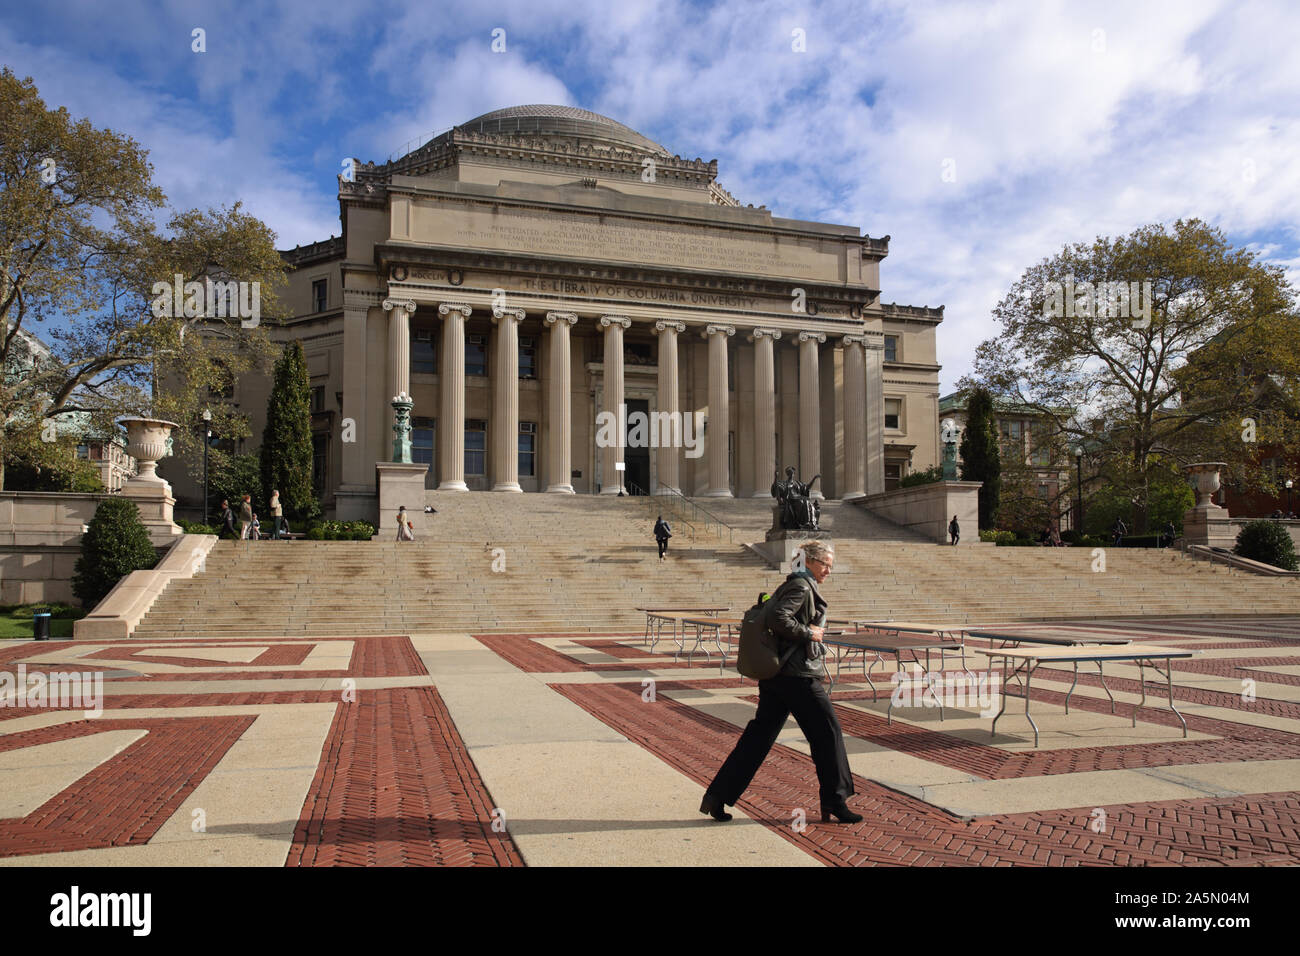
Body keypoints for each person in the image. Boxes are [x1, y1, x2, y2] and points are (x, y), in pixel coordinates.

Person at [700, 540, 861, 825]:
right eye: (824, 564)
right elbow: (777, 617)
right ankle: (835, 800)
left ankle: (718, 796)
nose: (828, 570)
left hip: (777, 678)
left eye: (830, 566)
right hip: (797, 677)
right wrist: (809, 634)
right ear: (808, 561)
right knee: (828, 733)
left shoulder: (793, 584)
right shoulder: (801, 586)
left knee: (758, 738)